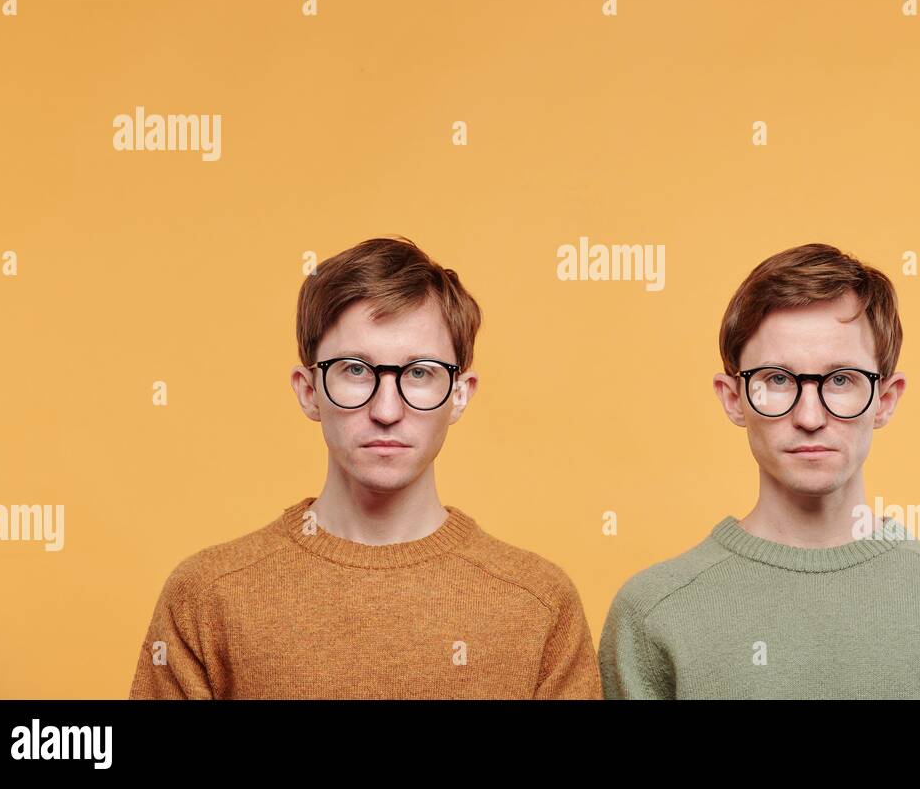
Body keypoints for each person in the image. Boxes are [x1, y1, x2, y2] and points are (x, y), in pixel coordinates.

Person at [129, 236, 602, 698]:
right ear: (308, 390)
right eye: (356, 369)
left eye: (420, 373)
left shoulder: (539, 603)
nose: (387, 410)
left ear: (460, 395)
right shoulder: (207, 596)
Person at [598, 242, 920, 699]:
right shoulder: (653, 612)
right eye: (777, 379)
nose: (810, 416)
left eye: (840, 380)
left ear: (885, 400)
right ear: (733, 398)